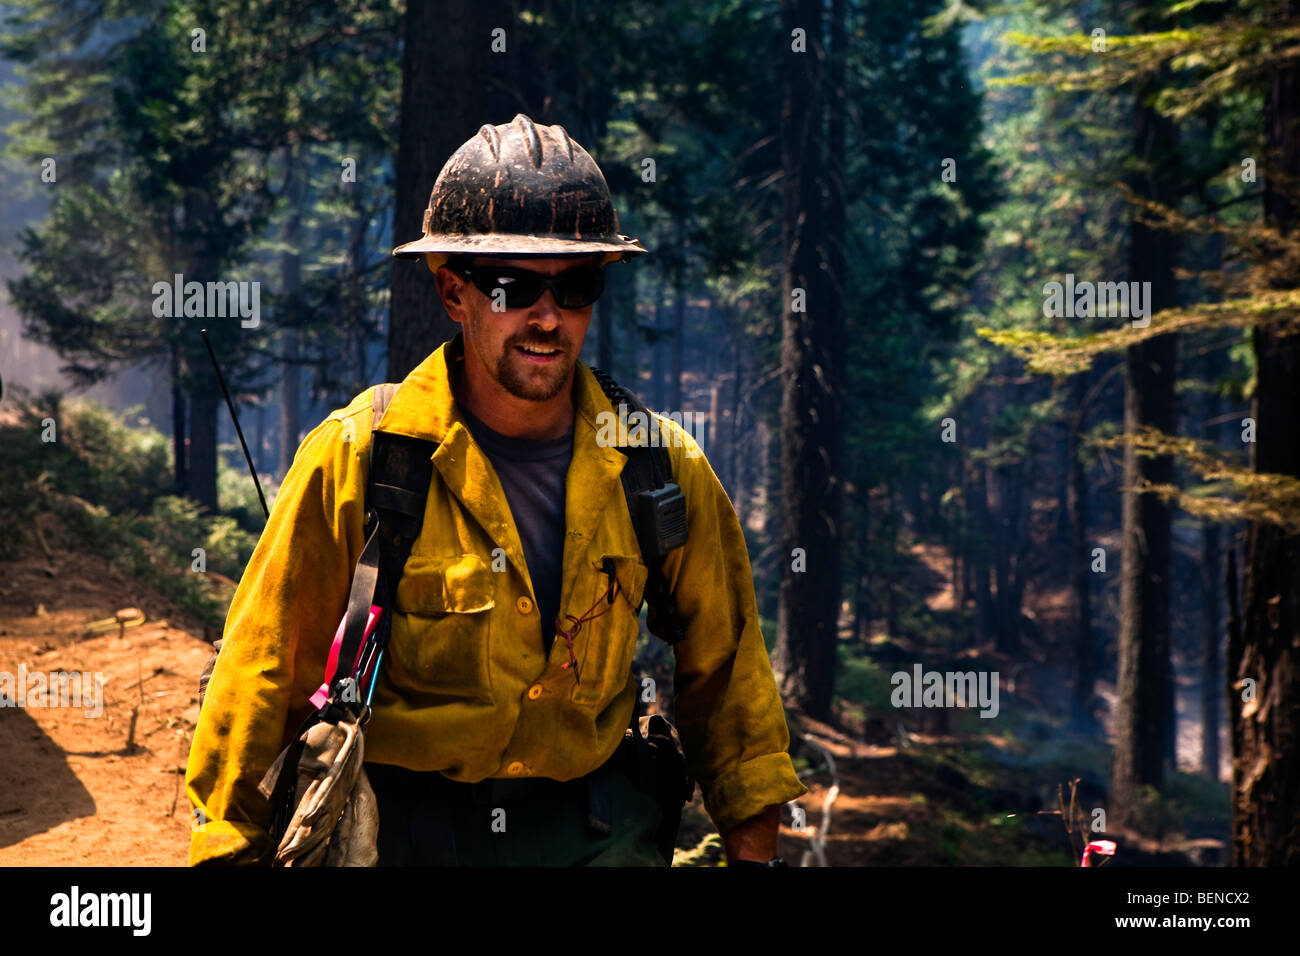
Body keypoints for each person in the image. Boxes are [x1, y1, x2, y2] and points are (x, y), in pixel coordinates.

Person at [186, 114, 806, 867]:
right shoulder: (360, 460)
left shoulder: (659, 467)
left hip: (598, 841)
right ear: (454, 291)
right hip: (401, 841)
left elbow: (733, 688)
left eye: (574, 287)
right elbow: (258, 684)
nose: (547, 317)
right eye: (513, 287)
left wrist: (753, 856)